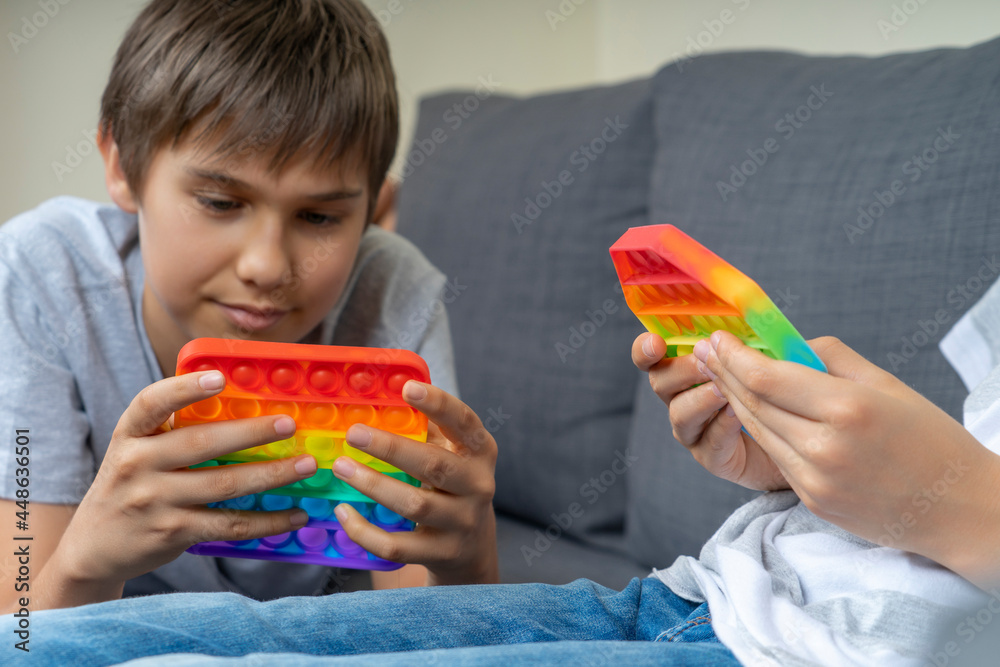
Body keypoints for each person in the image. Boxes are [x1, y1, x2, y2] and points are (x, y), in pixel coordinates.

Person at [0, 0, 499, 615]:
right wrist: (81, 563)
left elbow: (429, 622)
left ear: (374, 210)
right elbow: (18, 625)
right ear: (121, 165)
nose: (266, 266)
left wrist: (469, 561)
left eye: (318, 217)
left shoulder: (392, 290)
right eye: (218, 201)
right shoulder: (42, 275)